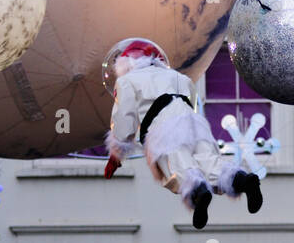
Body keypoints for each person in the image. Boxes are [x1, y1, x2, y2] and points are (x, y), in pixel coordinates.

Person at [103, 38, 263, 229]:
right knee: (210, 162)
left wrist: (116, 154)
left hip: (161, 124)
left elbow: (124, 118)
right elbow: (193, 104)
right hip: (194, 123)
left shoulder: (127, 81)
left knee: (178, 167)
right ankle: (244, 181)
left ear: (127, 63)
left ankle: (199, 193)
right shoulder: (180, 78)